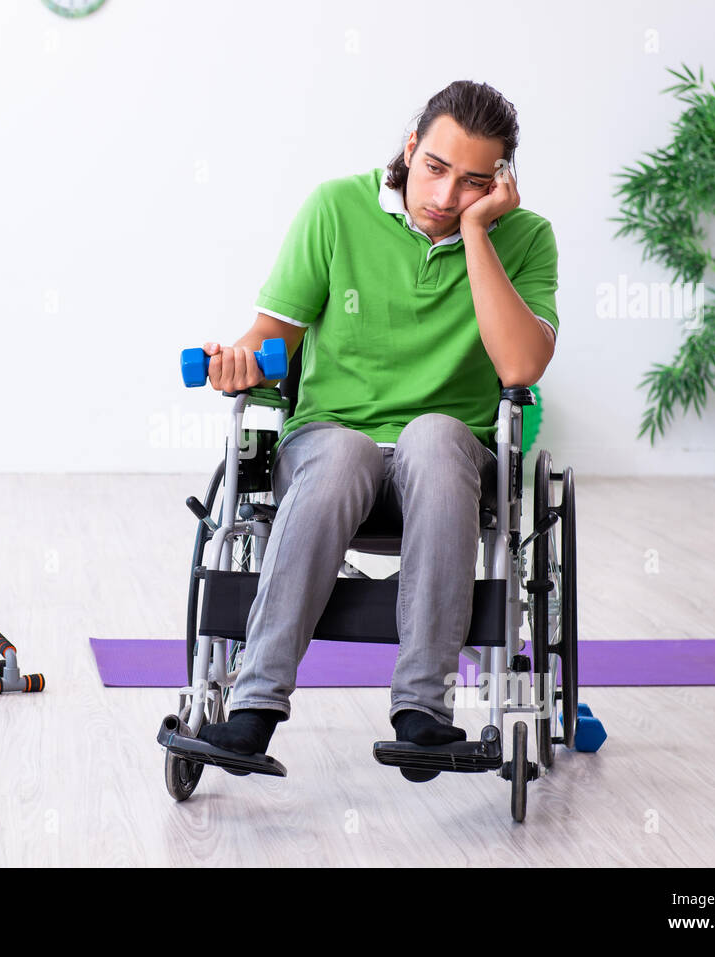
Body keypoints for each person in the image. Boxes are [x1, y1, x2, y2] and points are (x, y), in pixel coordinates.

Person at [194, 80, 560, 782]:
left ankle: (423, 713)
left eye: (473, 183)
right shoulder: (336, 209)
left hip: (447, 466)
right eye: (435, 167)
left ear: (501, 184)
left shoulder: (527, 238)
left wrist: (479, 235)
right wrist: (237, 362)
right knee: (342, 449)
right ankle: (252, 708)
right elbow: (272, 337)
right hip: (330, 452)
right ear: (409, 147)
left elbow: (518, 364)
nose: (447, 195)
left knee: (432, 433)